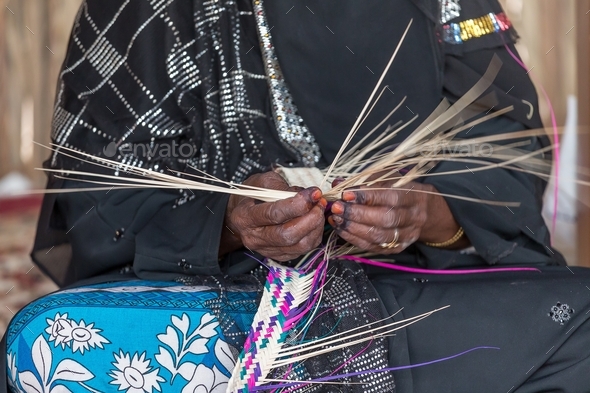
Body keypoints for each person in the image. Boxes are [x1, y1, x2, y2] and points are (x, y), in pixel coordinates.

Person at [3, 0, 590, 392]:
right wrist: (230, 223)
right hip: (216, 304)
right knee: (46, 342)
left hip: (409, 297)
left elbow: (507, 155)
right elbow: (95, 202)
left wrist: (429, 213)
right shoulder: (144, 9)